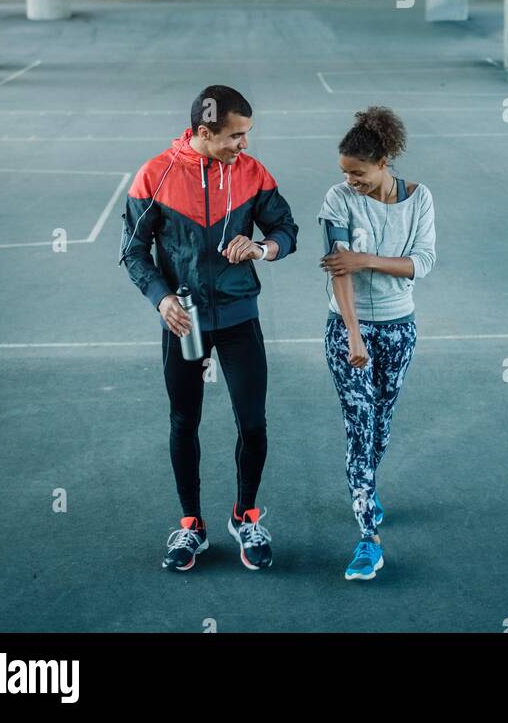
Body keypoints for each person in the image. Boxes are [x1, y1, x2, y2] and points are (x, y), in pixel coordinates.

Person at [119, 84, 298, 572]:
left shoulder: (252, 173)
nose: (245, 144)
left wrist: (262, 249)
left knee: (254, 422)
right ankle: (191, 525)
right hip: (185, 322)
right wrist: (162, 299)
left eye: (247, 134)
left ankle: (245, 515)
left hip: (239, 316)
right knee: (184, 421)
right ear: (204, 132)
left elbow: (287, 230)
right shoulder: (154, 176)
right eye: (236, 135)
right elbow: (132, 251)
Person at [318, 105, 436, 581]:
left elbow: (422, 262)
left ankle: (366, 483)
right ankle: (368, 539)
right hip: (349, 331)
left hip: (400, 327)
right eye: (345, 173)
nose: (351, 182)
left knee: (380, 424)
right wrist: (353, 335)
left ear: (384, 161)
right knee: (360, 426)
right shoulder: (338, 199)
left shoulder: (421, 198)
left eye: (359, 173)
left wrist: (365, 258)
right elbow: (337, 270)